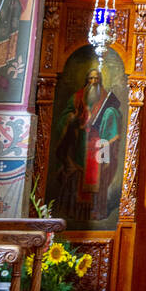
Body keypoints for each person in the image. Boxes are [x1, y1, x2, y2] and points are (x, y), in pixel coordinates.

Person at [53, 66, 121, 224]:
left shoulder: (105, 97)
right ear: (86, 80)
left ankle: (96, 210)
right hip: (80, 142)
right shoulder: (77, 97)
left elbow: (115, 114)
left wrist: (112, 113)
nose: (93, 81)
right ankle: (74, 211)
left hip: (100, 143)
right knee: (77, 175)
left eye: (96, 79)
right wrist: (71, 118)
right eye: (91, 78)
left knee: (100, 174)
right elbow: (65, 116)